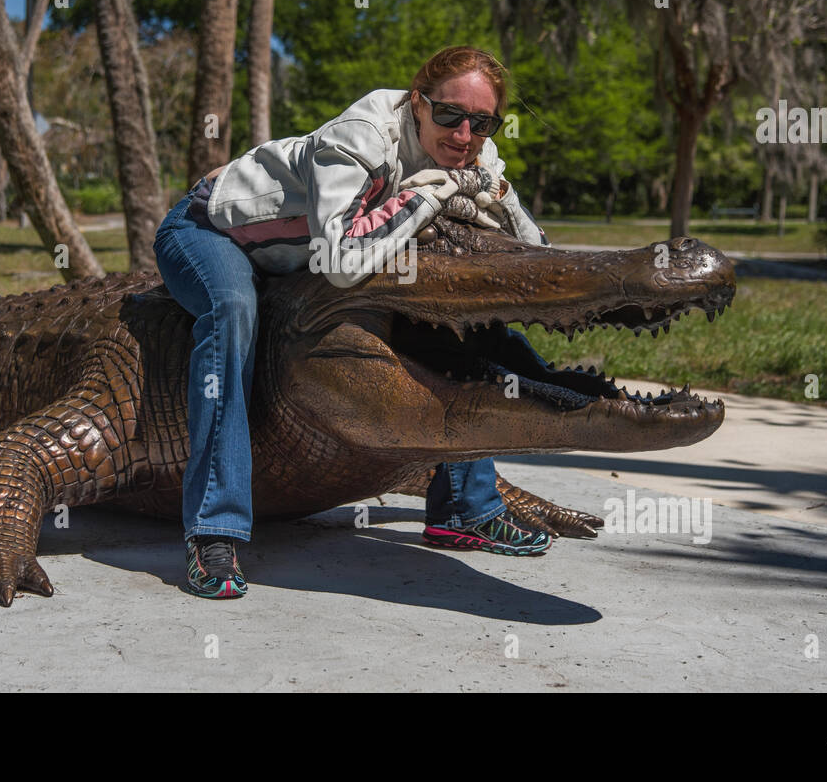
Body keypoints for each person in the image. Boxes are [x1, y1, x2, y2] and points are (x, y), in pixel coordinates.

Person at [153, 46, 552, 599]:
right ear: (418, 102)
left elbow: (534, 256)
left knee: (459, 307)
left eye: (482, 123)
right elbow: (340, 260)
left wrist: (498, 193)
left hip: (298, 258)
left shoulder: (473, 151)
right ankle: (213, 530)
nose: (464, 134)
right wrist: (432, 192)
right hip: (210, 231)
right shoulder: (359, 135)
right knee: (233, 313)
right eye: (450, 115)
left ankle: (463, 508)